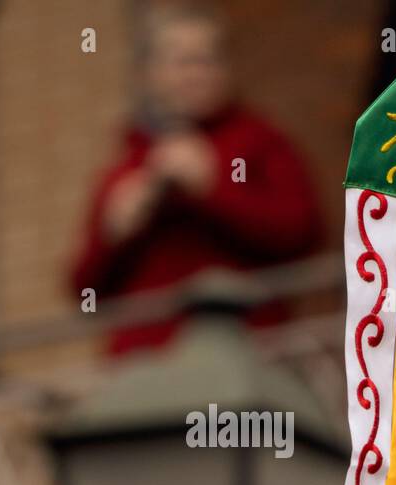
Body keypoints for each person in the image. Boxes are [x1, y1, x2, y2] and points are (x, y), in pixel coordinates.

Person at [69, 4, 323, 355]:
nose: (195, 73)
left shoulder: (261, 142)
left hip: (247, 360)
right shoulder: (126, 167)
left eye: (207, 59)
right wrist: (111, 236)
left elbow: (303, 235)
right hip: (145, 369)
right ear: (150, 74)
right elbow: (84, 292)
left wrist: (213, 190)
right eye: (181, 61)